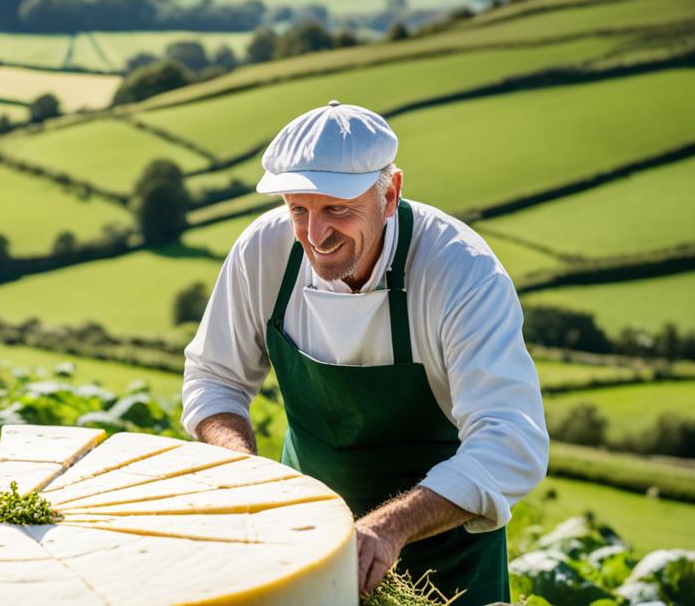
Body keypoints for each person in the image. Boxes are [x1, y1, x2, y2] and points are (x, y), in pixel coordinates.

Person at [181, 100, 548, 605]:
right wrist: (247, 477)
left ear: (390, 193)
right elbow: (213, 379)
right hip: (307, 546)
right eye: (298, 210)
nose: (315, 235)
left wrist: (387, 529)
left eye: (337, 209)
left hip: (445, 567)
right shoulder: (263, 252)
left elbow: (511, 442)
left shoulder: (459, 271)